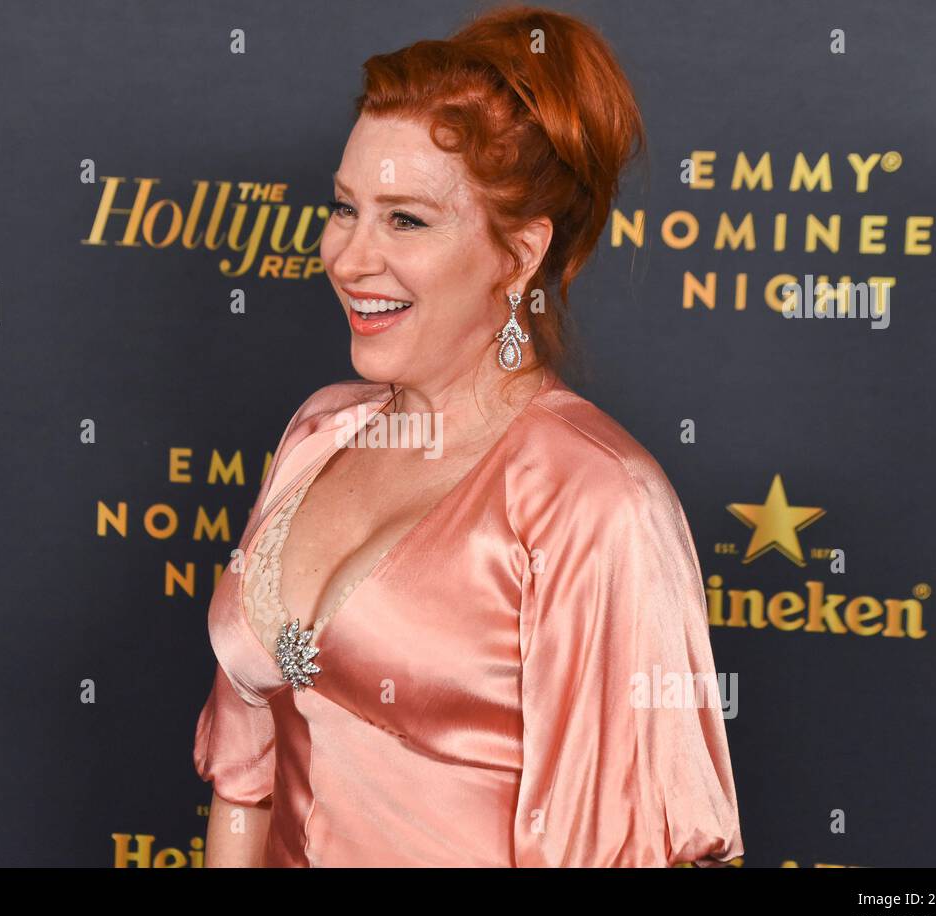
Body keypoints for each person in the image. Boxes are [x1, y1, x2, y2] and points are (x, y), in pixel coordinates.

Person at [193, 5, 744, 867]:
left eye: (404, 219)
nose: (348, 256)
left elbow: (617, 849)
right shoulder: (318, 429)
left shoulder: (595, 500)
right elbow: (243, 773)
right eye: (345, 208)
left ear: (519, 254)